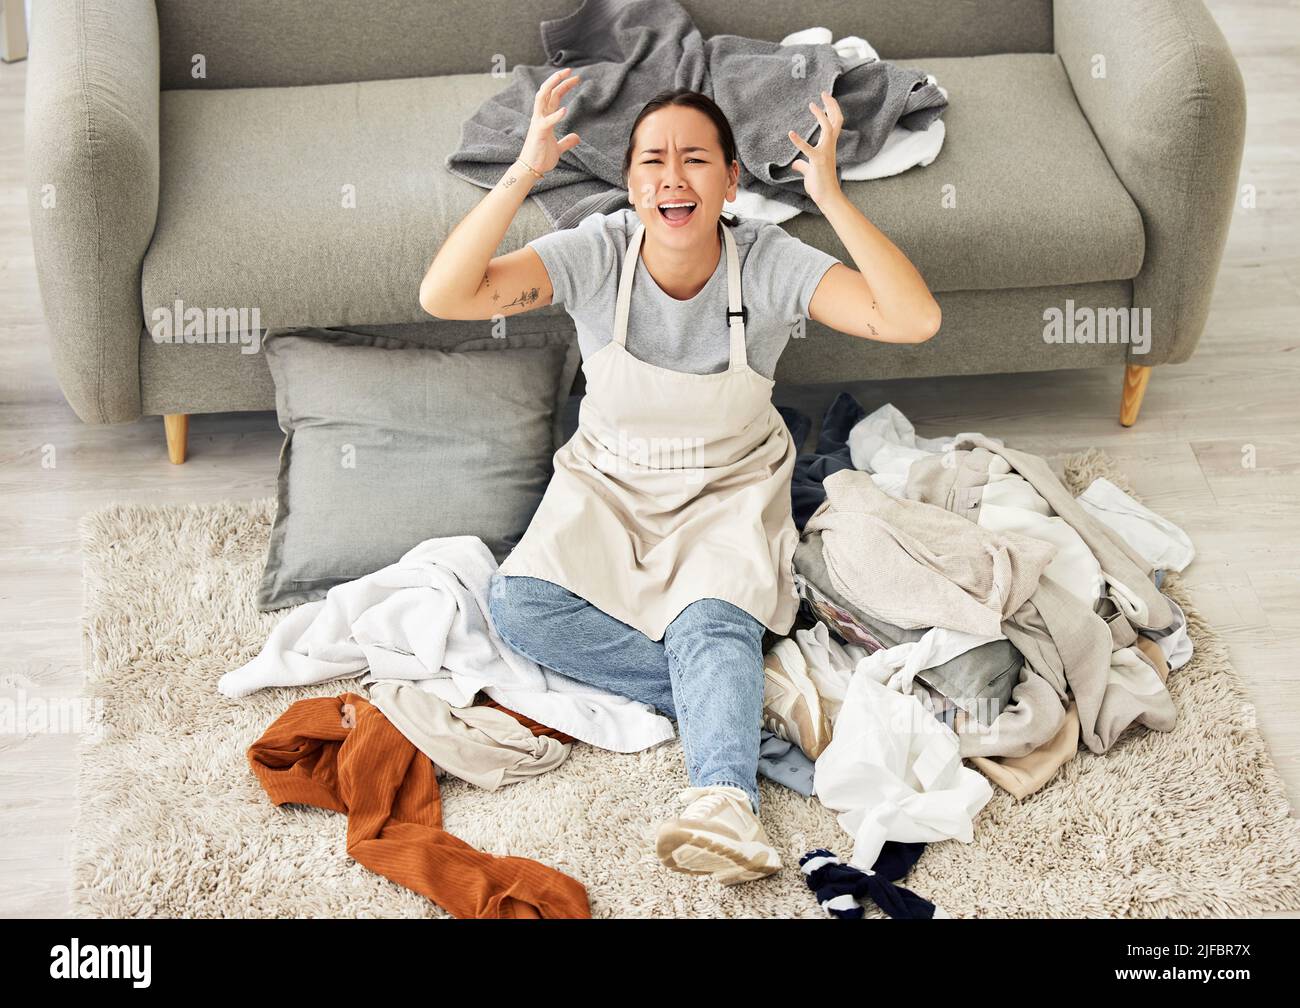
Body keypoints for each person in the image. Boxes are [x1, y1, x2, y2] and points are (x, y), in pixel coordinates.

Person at [419, 68, 940, 886]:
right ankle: (734, 701)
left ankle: (723, 799)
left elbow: (913, 320)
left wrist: (831, 197)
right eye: (651, 161)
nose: (672, 176)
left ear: (731, 181)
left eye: (695, 159)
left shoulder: (768, 262)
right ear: (629, 185)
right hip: (608, 485)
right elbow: (446, 295)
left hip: (728, 490)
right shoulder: (595, 252)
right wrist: (523, 174)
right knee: (522, 609)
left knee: (709, 617)